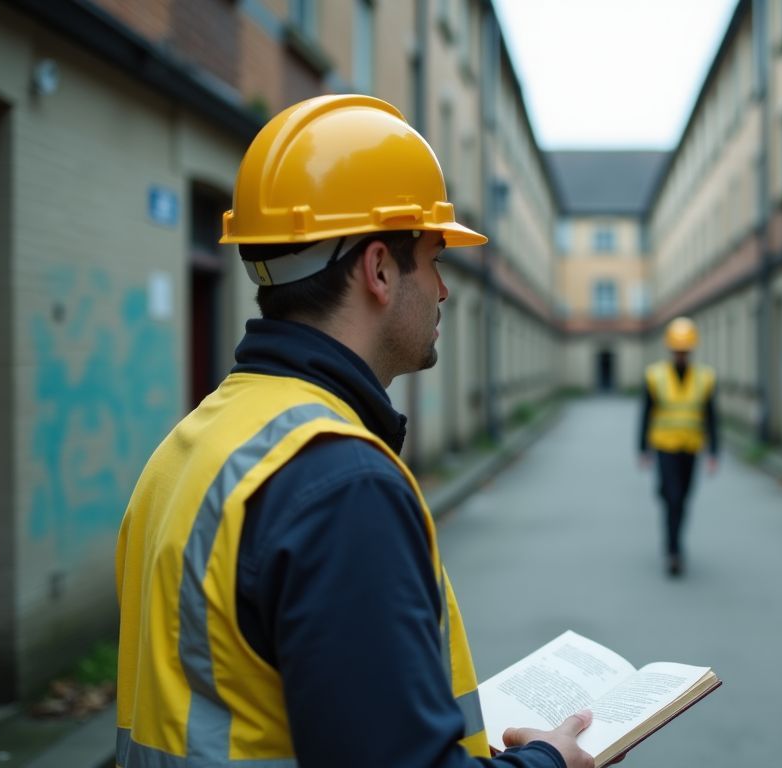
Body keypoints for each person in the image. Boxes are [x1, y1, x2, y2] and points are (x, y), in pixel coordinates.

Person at [115, 95, 594, 768]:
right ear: (377, 269)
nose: (443, 290)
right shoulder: (342, 487)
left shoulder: (194, 443)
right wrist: (550, 763)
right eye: (433, 258)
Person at [638, 316, 719, 577]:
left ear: (691, 350)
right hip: (665, 446)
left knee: (682, 499)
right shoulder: (655, 376)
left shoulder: (705, 378)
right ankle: (674, 551)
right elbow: (646, 413)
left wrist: (714, 452)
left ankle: (675, 540)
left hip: (691, 447)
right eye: (677, 350)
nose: (681, 354)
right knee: (673, 499)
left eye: (685, 350)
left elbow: (711, 416)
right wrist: (642, 449)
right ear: (671, 349)